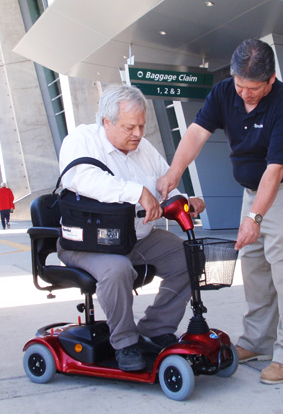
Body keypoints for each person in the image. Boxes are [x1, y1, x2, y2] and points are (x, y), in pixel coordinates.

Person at [157, 38, 283, 385]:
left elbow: (275, 171)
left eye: (254, 88)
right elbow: (196, 133)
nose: (245, 94)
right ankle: (257, 340)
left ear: (271, 80)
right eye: (240, 85)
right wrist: (173, 172)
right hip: (252, 190)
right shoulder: (223, 92)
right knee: (255, 267)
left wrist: (254, 218)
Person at [57, 84, 205, 372]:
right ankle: (125, 342)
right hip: (88, 242)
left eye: (142, 125)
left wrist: (185, 200)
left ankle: (155, 327)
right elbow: (82, 179)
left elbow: (164, 186)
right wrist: (135, 192)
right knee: (117, 269)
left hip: (136, 236)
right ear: (107, 122)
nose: (138, 133)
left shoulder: (143, 147)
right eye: (129, 126)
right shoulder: (81, 140)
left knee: (190, 255)